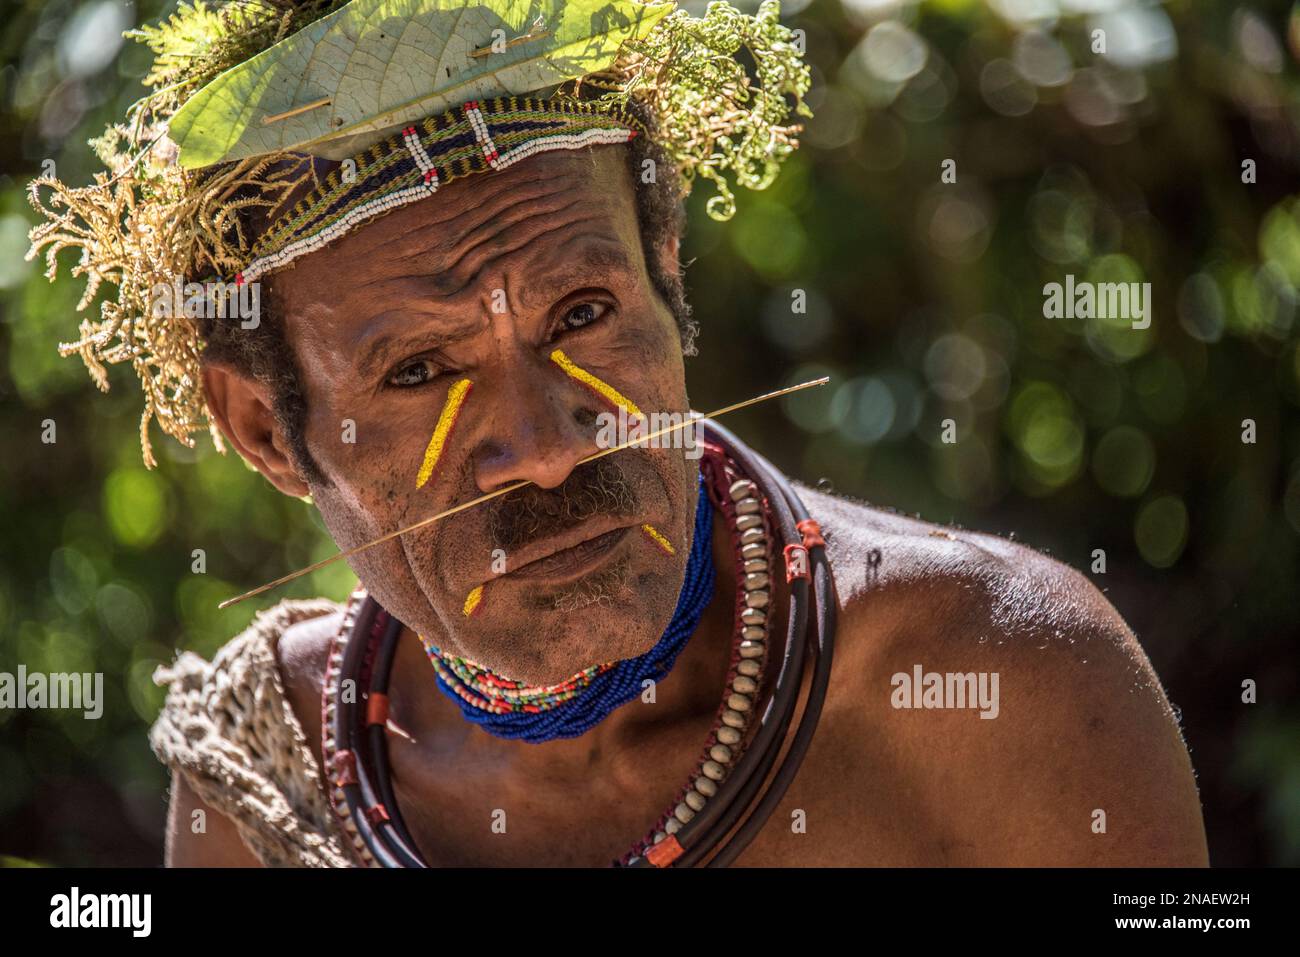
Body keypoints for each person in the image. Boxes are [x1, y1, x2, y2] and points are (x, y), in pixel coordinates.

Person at [28, 0, 1208, 867]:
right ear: (264, 432)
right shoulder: (266, 779)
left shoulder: (1006, 691)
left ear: (666, 275)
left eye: (582, 314)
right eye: (421, 370)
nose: (546, 450)